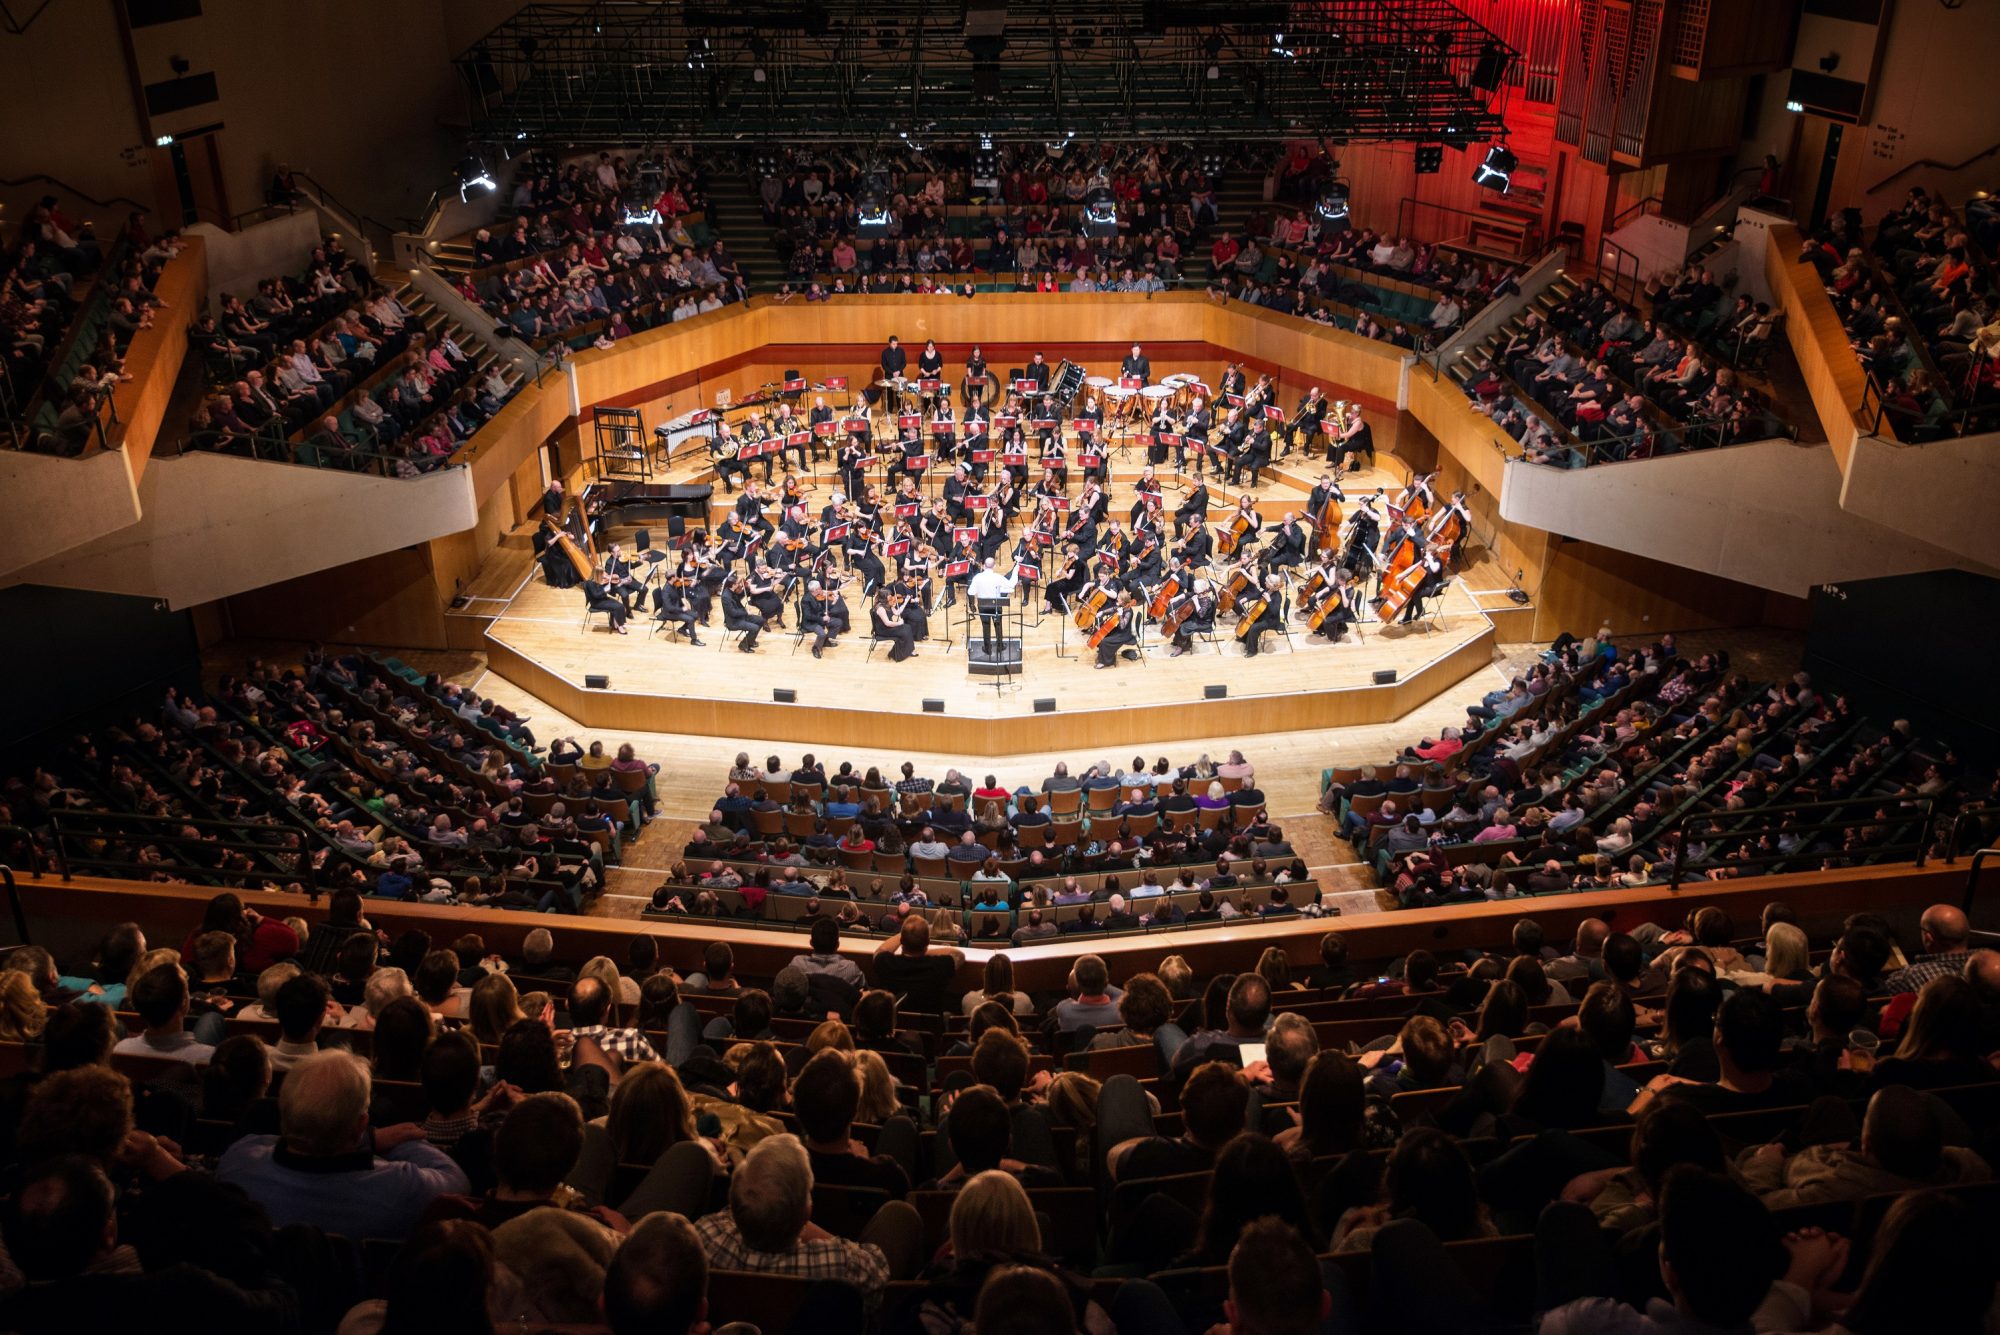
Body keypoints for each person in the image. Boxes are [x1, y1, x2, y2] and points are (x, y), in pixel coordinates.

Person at [217, 1049, 469, 1238]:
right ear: (361, 1123)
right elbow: (456, 1181)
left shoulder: (238, 1162)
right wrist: (373, 1139)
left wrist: (367, 1138)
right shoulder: (399, 1188)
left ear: (284, 1113)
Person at [967, 557, 1018, 654]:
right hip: (996, 606)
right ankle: (1000, 646)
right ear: (994, 566)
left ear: (984, 566)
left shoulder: (977, 577)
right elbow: (1011, 584)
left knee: (985, 626)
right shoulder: (998, 577)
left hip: (983, 607)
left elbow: (971, 592)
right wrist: (1015, 571)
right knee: (998, 625)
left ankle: (987, 649)